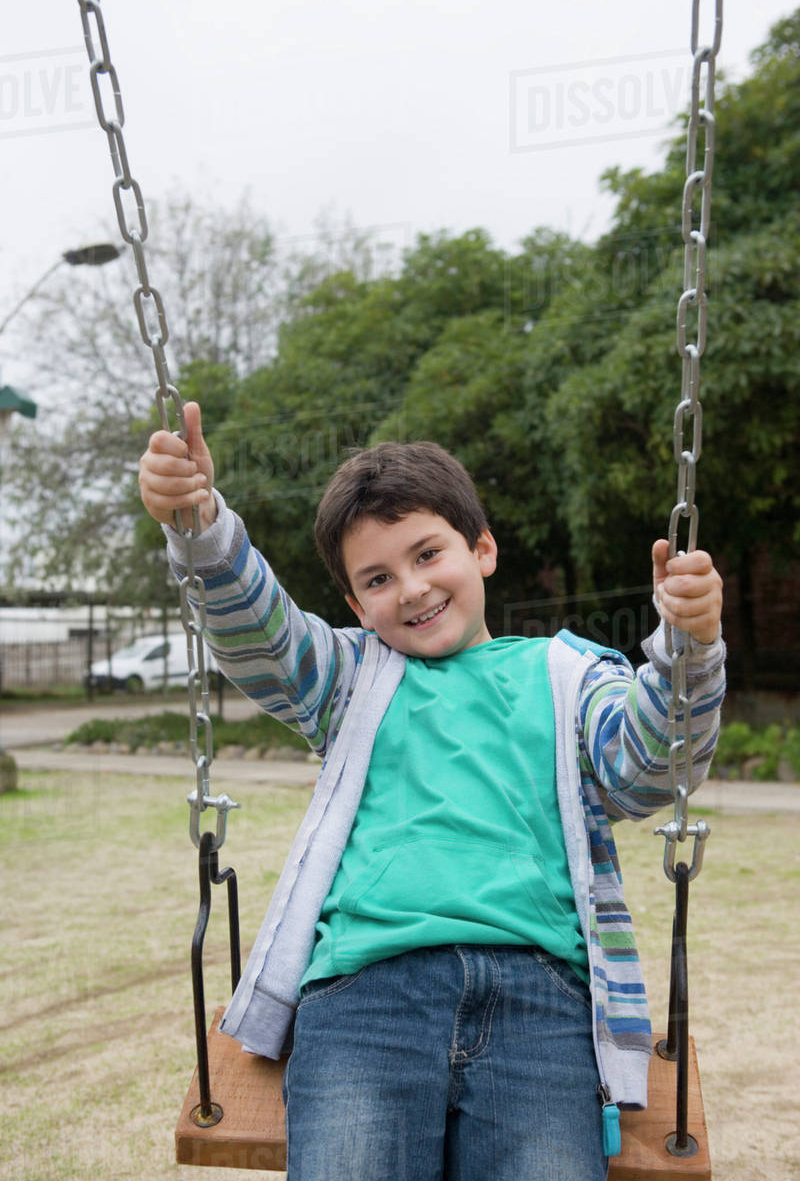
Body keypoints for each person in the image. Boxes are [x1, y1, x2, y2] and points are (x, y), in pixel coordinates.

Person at [139, 402, 725, 1181]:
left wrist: (690, 648)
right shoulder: (350, 679)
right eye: (377, 579)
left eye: (427, 554)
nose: (410, 589)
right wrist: (201, 529)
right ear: (354, 606)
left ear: (481, 548)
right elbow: (261, 631)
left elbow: (647, 770)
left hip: (540, 1001)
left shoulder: (569, 675)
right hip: (363, 997)